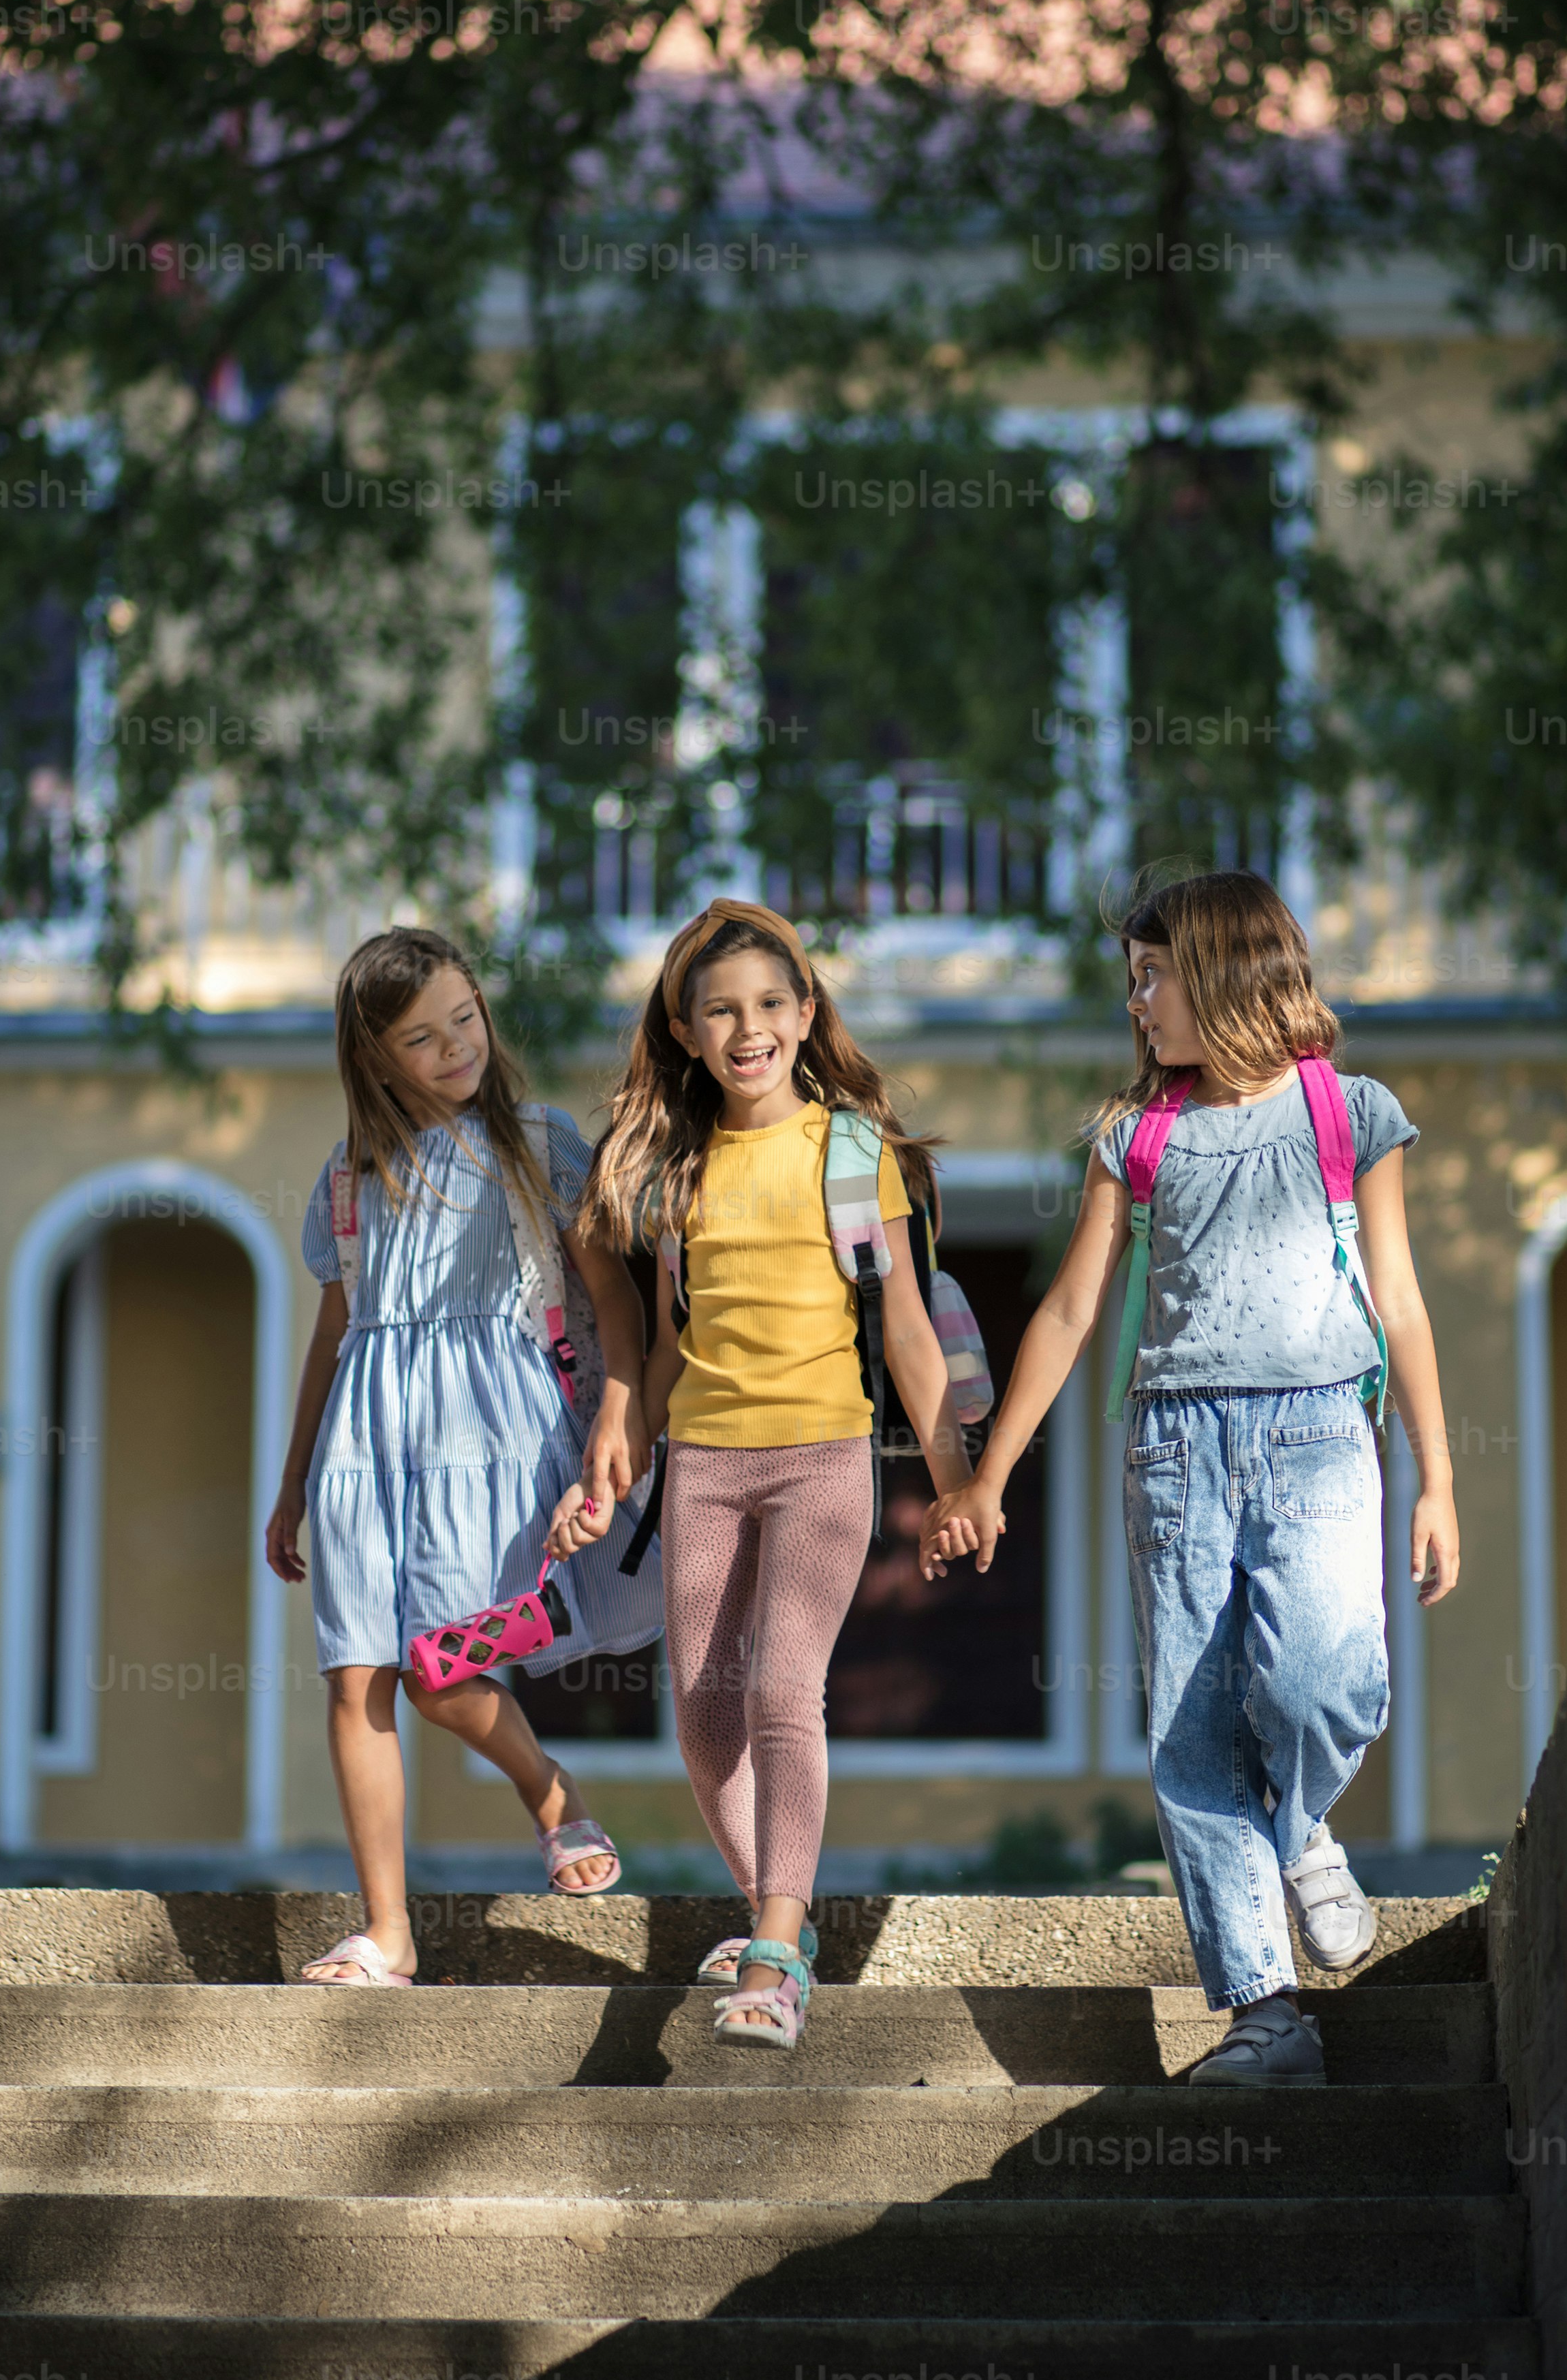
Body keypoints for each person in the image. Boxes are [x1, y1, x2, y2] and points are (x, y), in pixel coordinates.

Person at [924, 867, 1460, 2082]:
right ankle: (1263, 2010)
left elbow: (1402, 1300)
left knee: (1325, 1680)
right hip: (1171, 1446)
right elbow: (1066, 1314)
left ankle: (1300, 1823)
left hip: (1322, 1429)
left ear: (1221, 970)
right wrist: (986, 1476)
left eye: (1151, 977)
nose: (1137, 1005)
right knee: (1191, 1725)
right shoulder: (1136, 1136)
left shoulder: (1350, 1112)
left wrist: (1435, 1476)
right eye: (1129, 984)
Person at [583, 898, 972, 2048]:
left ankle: (771, 1954)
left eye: (767, 1005)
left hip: (822, 1460)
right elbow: (664, 1345)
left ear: (804, 1017)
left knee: (778, 1693)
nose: (746, 1028)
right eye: (719, 1011)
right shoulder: (676, 1172)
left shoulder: (853, 1154)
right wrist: (611, 1474)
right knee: (702, 1713)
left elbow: (905, 1330)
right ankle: (778, 1919)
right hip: (702, 1461)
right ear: (688, 1033)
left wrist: (954, 1481)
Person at [266, 926, 660, 1983]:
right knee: (357, 1680)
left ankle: (548, 1790)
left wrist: (617, 1419)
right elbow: (333, 1333)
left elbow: (613, 1300)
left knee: (444, 1675)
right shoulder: (348, 1179)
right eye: (420, 1038)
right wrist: (294, 1477)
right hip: (362, 1441)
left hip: (483, 1434)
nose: (454, 1049)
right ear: (374, 1058)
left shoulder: (536, 1144)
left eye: (464, 1021)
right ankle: (387, 1933)